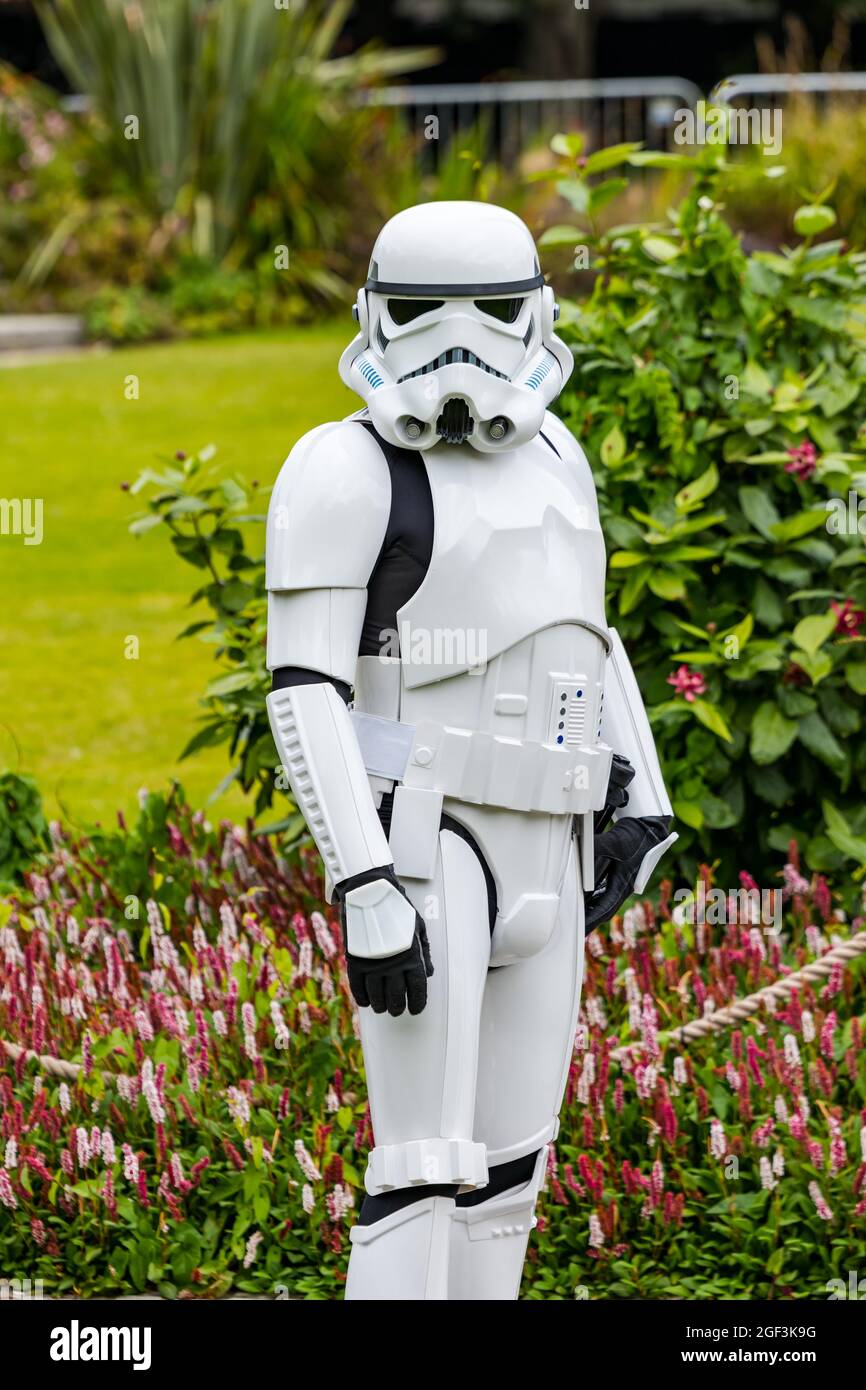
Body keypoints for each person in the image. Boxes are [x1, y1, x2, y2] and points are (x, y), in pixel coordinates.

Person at [265, 201, 676, 1300]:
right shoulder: (341, 468)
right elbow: (304, 689)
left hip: (546, 835)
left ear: (533, 313)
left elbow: (585, 633)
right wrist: (361, 880)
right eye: (421, 314)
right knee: (418, 1165)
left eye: (488, 313)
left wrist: (635, 793)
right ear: (374, 316)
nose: (459, 345)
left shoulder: (555, 452)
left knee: (508, 1165)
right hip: (424, 836)